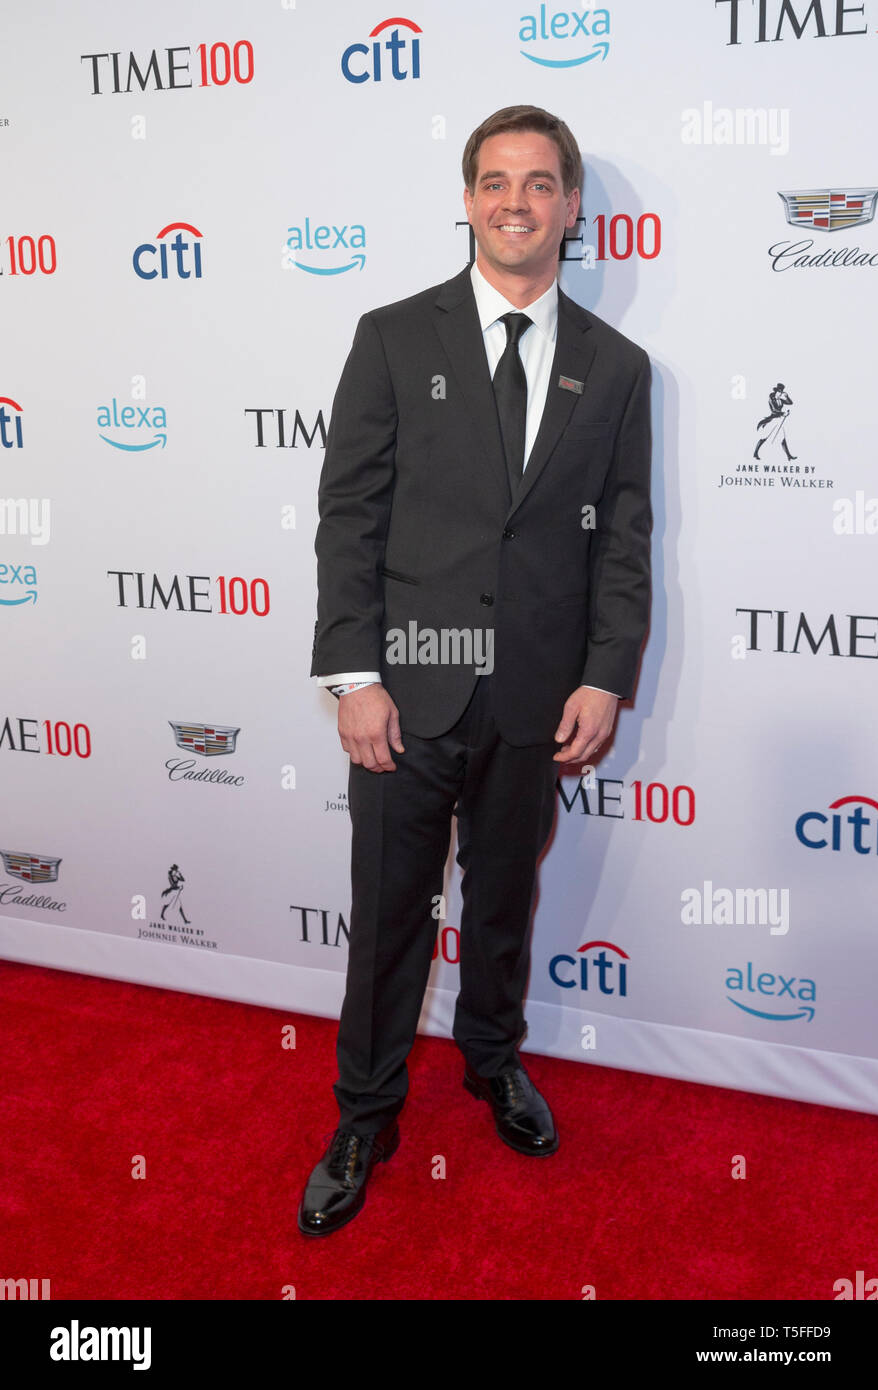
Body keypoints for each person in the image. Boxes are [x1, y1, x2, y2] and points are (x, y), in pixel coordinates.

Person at [300, 105, 653, 1236]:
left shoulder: (617, 366)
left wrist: (604, 672)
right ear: (466, 199)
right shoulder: (394, 336)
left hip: (536, 696)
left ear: (570, 208)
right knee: (389, 911)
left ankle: (492, 1060)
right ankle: (365, 1112)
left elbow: (624, 537)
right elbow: (347, 515)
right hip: (406, 691)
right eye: (494, 181)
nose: (515, 202)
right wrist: (353, 673)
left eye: (539, 183)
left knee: (502, 901)